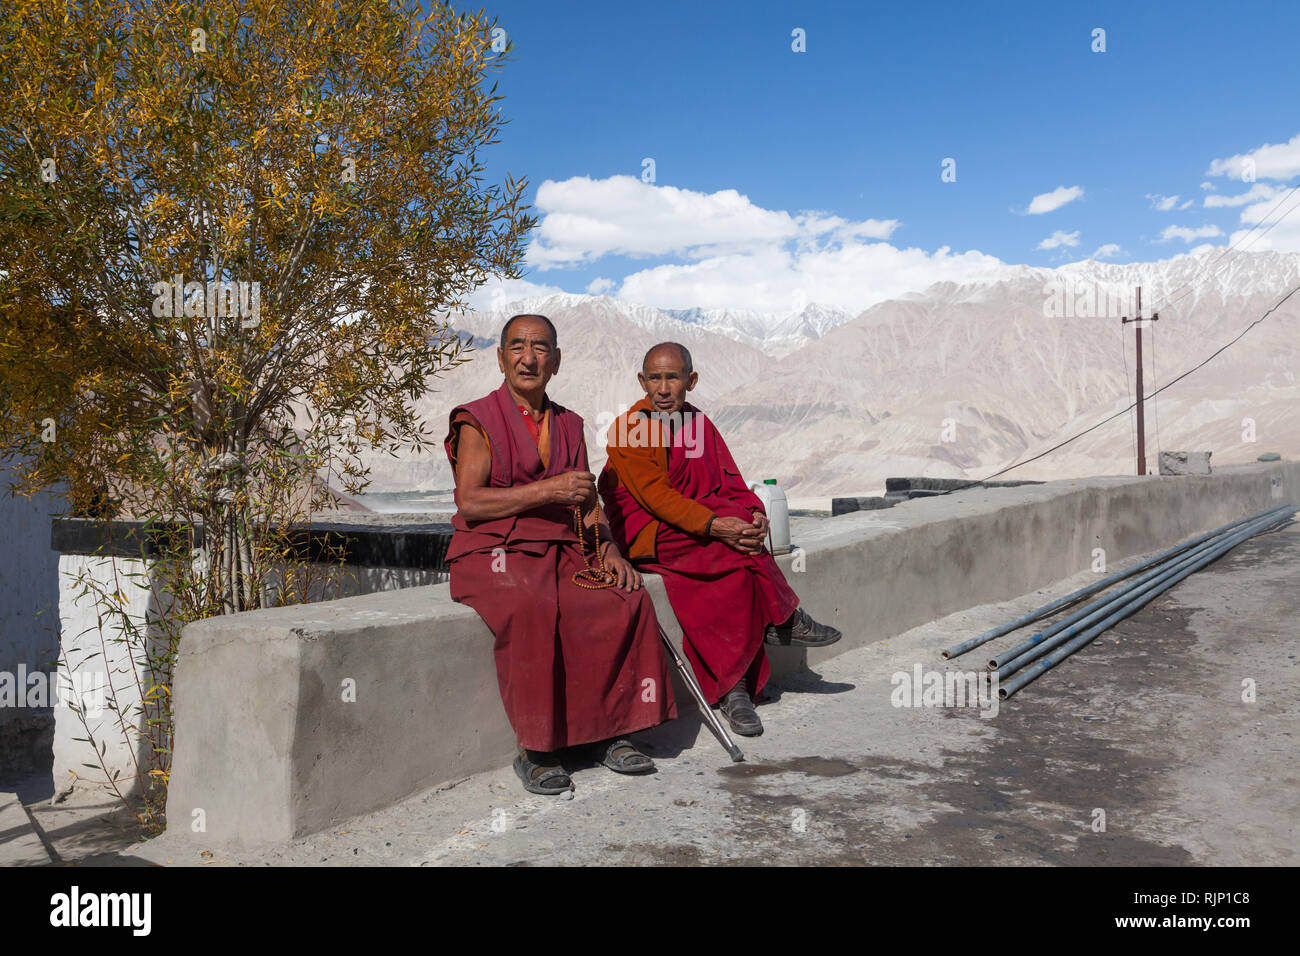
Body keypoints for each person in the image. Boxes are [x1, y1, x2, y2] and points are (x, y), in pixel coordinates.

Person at [443, 314, 676, 795]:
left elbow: (585, 502)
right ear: (501, 357)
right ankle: (538, 750)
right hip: (494, 550)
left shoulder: (569, 424)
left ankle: (609, 733)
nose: (529, 358)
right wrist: (546, 490)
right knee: (532, 607)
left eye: (541, 348)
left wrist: (609, 547)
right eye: (518, 346)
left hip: (563, 547)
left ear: (557, 361)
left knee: (624, 599)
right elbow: (471, 501)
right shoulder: (478, 418)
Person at [598, 341, 841, 737]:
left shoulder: (698, 424)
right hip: (646, 530)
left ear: (690, 380)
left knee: (737, 559)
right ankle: (783, 620)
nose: (663, 389)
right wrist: (716, 527)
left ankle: (736, 691)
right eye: (654, 378)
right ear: (642, 381)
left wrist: (754, 512)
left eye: (672, 377)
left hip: (694, 525)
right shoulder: (631, 429)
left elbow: (729, 479)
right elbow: (657, 498)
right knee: (728, 545)